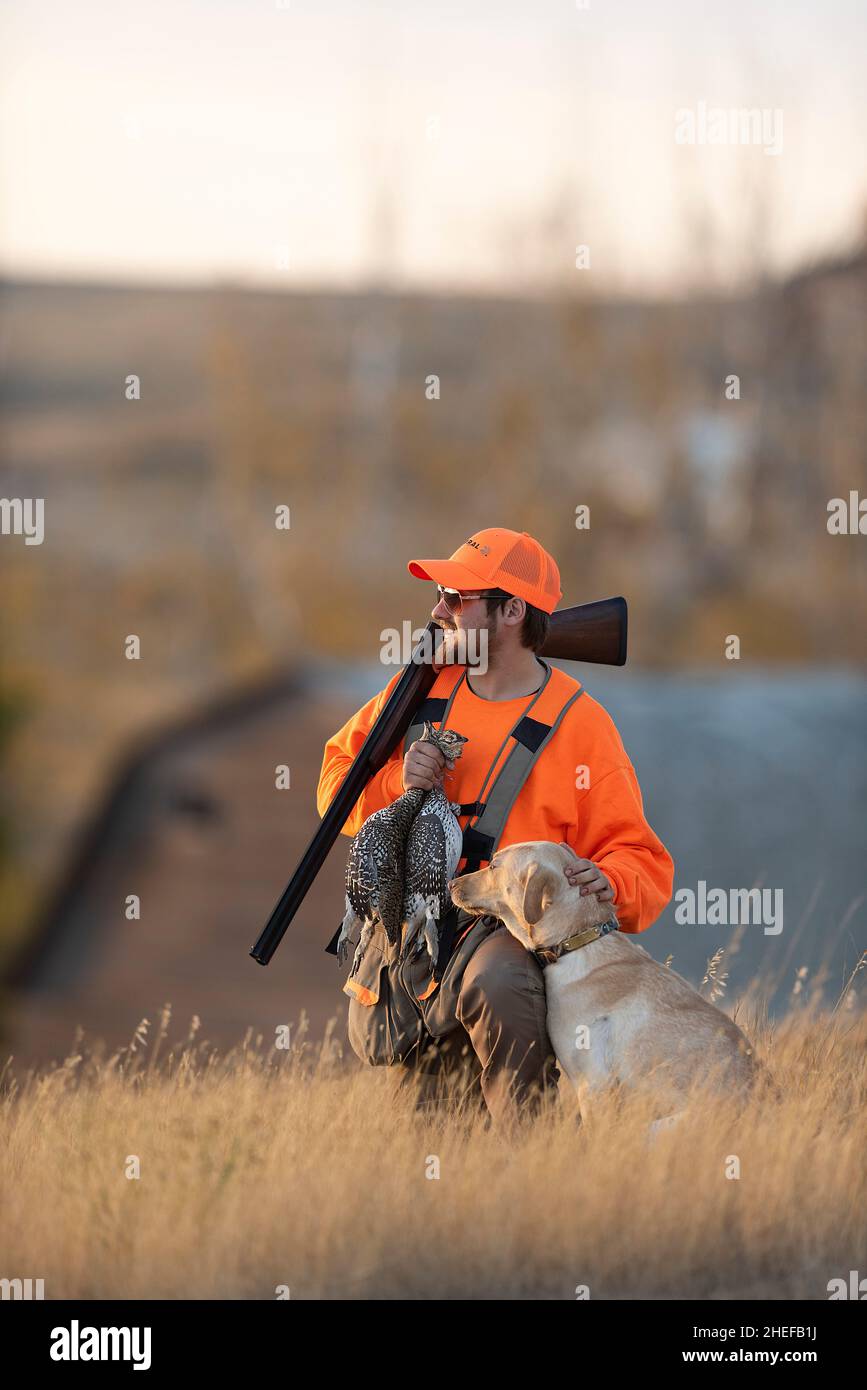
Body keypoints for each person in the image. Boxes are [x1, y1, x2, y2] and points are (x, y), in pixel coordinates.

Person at [317, 528, 674, 1124]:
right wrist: (399, 783)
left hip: (509, 925)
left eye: (457, 597)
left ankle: (529, 1160)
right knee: (429, 1138)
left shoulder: (581, 724)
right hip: (423, 919)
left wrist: (609, 880)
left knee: (500, 985)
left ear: (512, 610)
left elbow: (640, 859)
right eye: (440, 595)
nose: (438, 610)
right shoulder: (421, 690)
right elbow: (335, 789)